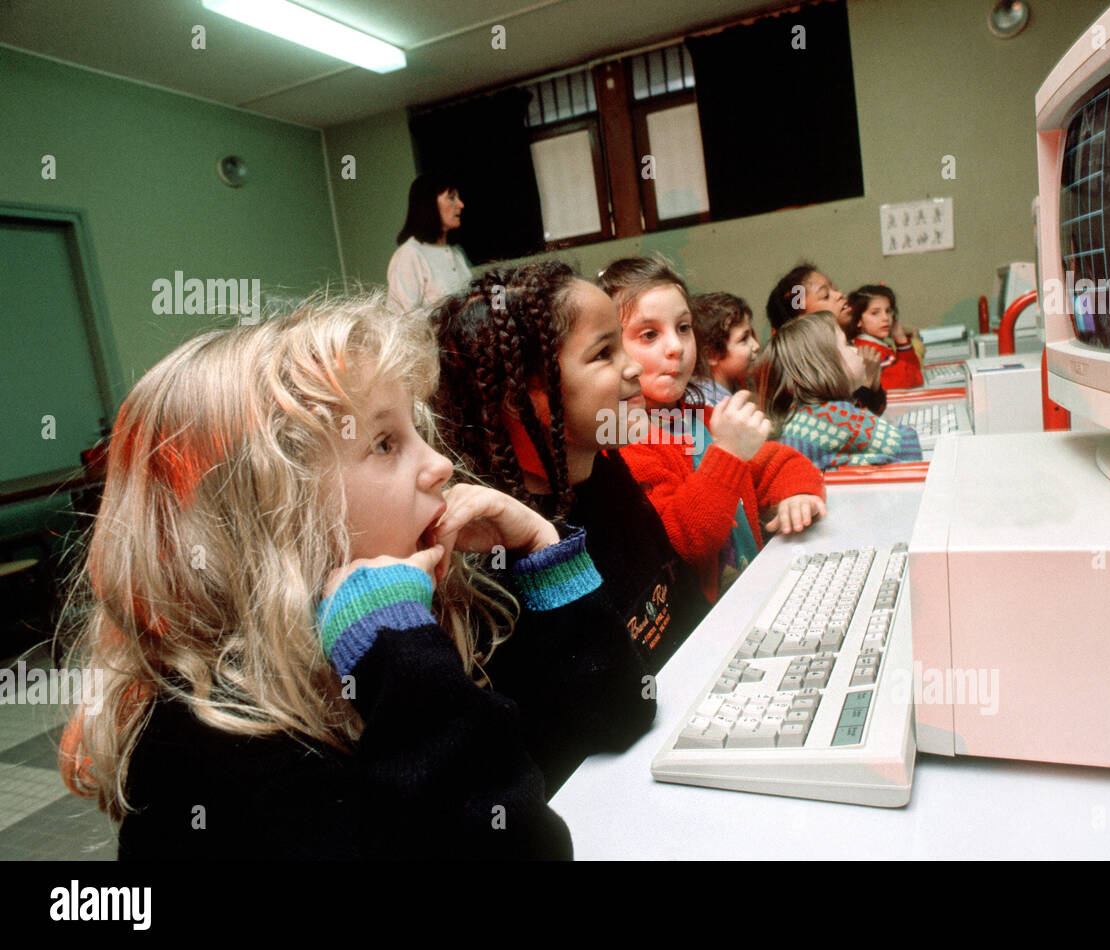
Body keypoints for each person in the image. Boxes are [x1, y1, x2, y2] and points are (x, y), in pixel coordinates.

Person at [57, 294, 652, 859]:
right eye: (386, 442)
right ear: (270, 520)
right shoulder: (208, 742)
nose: (441, 464)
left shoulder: (430, 611)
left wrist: (540, 552)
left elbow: (617, 716)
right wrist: (404, 662)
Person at [432, 261, 710, 672]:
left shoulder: (607, 470)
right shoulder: (494, 547)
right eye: (604, 353)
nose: (632, 366)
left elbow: (684, 601)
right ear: (519, 399)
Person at [599, 256, 827, 602]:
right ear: (611, 350)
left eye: (684, 327)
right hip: (702, 629)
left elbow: (778, 463)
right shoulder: (623, 444)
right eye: (649, 334)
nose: (676, 346)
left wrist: (798, 494)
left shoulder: (703, 418)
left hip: (750, 599)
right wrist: (729, 453)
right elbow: (682, 542)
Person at [757, 310, 922, 468]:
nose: (856, 349)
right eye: (846, 344)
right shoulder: (831, 415)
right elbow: (909, 447)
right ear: (826, 365)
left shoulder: (803, 413)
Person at [767, 262, 886, 413]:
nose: (840, 294)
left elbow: (877, 411)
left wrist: (874, 386)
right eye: (825, 296)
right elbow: (841, 424)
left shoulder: (844, 347)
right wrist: (867, 383)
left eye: (834, 289)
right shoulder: (804, 371)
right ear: (801, 322)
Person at [387, 174, 472, 315]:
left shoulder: (456, 253)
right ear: (429, 204)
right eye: (451, 198)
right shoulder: (409, 255)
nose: (461, 205)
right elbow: (402, 321)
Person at [848, 284, 925, 390]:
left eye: (888, 311)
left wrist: (900, 338)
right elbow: (915, 379)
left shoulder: (877, 345)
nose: (885, 318)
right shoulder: (869, 351)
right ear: (858, 320)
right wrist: (901, 340)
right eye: (875, 313)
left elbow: (914, 370)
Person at [690, 292, 760, 406]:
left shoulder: (736, 385)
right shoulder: (703, 405)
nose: (756, 346)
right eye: (744, 339)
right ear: (711, 355)